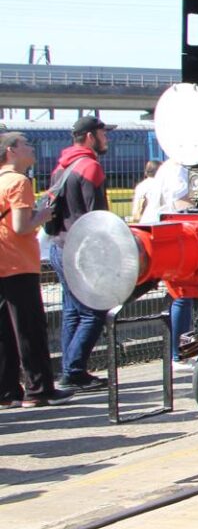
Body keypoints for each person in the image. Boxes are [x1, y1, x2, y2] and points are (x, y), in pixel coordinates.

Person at [0, 132, 72, 407]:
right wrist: (42, 215)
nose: (32, 148)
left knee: (4, 330)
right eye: (26, 144)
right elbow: (21, 226)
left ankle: (6, 391)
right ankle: (39, 388)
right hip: (19, 262)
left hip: (2, 260)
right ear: (11, 151)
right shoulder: (19, 181)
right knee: (29, 327)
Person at [49, 114, 115, 390]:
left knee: (73, 312)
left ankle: (71, 369)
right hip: (81, 251)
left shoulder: (62, 166)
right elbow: (97, 216)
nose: (106, 138)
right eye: (103, 133)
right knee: (93, 312)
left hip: (59, 246)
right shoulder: (90, 167)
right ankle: (73, 372)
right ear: (91, 136)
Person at [140, 159, 198, 369]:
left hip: (167, 232)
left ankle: (181, 352)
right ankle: (178, 355)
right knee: (182, 296)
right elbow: (180, 202)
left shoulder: (169, 168)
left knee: (183, 297)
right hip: (172, 234)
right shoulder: (178, 169)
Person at [127, 159, 162, 223]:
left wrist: (136, 216)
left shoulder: (141, 186)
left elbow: (137, 206)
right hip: (162, 219)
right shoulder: (163, 184)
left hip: (146, 219)